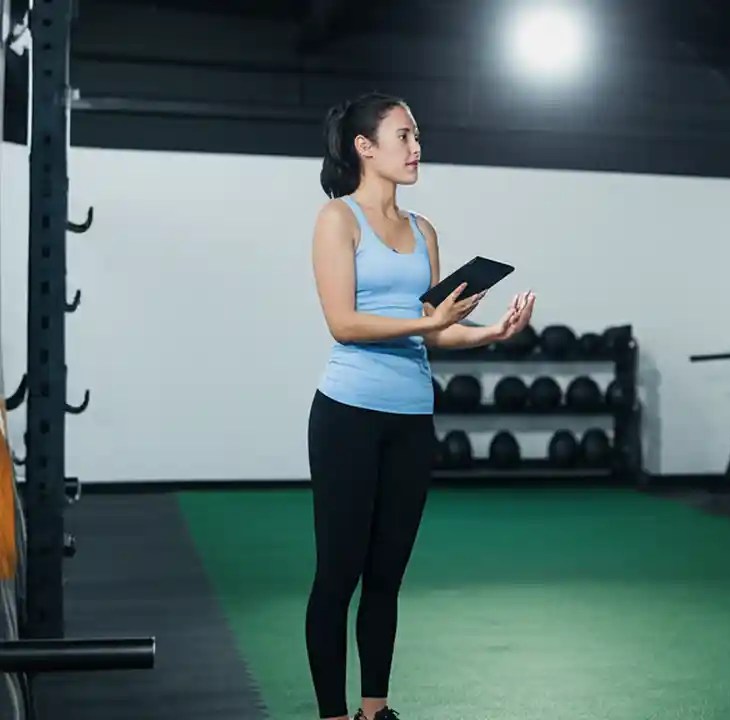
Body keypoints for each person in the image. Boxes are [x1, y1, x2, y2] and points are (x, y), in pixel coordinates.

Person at [307, 91, 535, 720]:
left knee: (387, 576)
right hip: (348, 414)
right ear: (365, 147)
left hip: (411, 421)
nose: (416, 147)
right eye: (404, 136)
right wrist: (425, 319)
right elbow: (344, 324)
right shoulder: (338, 220)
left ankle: (374, 712)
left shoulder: (423, 229)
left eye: (417, 137)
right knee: (339, 576)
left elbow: (433, 330)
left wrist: (488, 332)